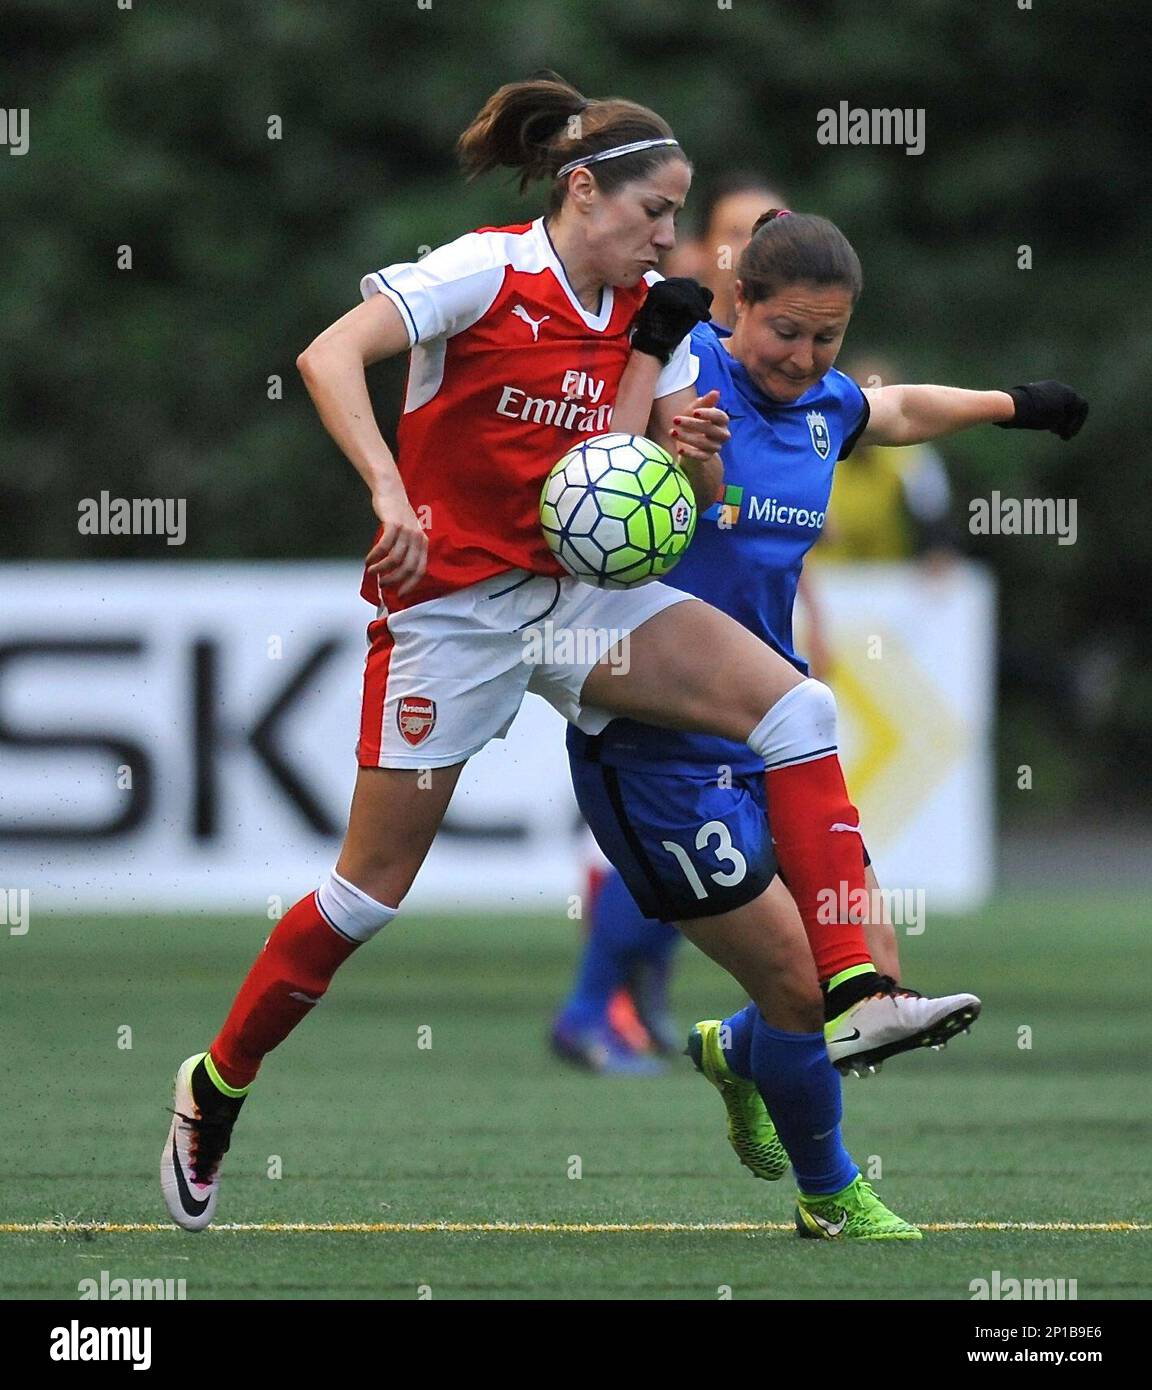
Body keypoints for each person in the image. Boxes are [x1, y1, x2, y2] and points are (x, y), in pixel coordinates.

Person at [161, 75, 979, 1241]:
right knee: (364, 896)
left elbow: (685, 485)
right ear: (583, 189)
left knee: (796, 708)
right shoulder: (485, 272)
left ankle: (854, 984)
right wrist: (387, 492)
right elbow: (329, 356)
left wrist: (690, 449)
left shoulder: (658, 314)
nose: (671, 232)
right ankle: (218, 1083)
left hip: (580, 601)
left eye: (680, 211)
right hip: (453, 613)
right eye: (656, 209)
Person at [562, 208, 1087, 1236]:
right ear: (738, 303)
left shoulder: (825, 405)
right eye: (786, 331)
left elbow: (899, 408)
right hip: (657, 747)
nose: (804, 357)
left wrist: (1015, 405)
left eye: (828, 338)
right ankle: (831, 1194)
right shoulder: (682, 375)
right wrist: (674, 448)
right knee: (808, 986)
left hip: (772, 733)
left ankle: (742, 1048)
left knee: (863, 970)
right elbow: (612, 470)